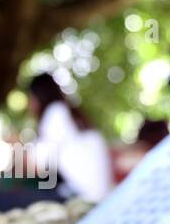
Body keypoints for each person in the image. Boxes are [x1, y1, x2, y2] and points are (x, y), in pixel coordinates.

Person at [27, 74, 114, 202]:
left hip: (84, 196)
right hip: (94, 193)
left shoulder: (55, 113)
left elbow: (36, 165)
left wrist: (18, 148)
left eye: (30, 98)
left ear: (38, 96)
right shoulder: (70, 114)